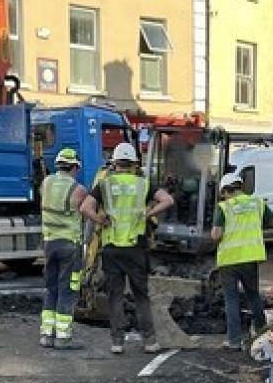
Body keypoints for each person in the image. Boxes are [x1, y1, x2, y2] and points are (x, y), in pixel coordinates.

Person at [93, 142, 173, 355]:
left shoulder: (105, 185)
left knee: (115, 296)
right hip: (135, 248)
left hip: (111, 248)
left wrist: (100, 220)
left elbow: (84, 207)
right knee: (141, 295)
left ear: (115, 163)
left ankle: (117, 342)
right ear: (135, 163)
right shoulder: (143, 184)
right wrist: (148, 214)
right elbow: (167, 200)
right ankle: (149, 340)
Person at [211, 172, 273, 350]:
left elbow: (216, 234)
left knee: (232, 299)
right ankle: (261, 334)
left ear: (225, 190)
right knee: (253, 295)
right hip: (250, 259)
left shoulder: (223, 207)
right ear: (240, 187)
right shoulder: (257, 203)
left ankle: (234, 340)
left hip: (229, 260)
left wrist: (213, 236)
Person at [39, 147, 103, 349]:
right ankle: (63, 337)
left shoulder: (45, 183)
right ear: (74, 167)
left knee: (51, 289)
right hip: (69, 246)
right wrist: (102, 219)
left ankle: (46, 334)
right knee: (68, 290)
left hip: (49, 243)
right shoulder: (78, 190)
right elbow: (87, 213)